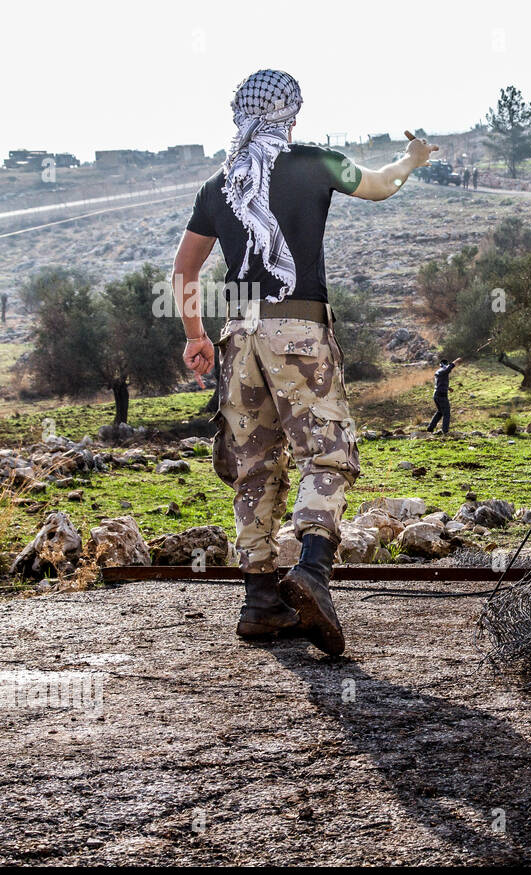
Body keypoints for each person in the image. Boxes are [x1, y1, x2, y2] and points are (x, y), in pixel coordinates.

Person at [171, 68, 439, 656]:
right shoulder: (317, 163)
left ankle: (260, 601)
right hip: (298, 325)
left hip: (238, 334)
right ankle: (313, 568)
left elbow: (185, 271)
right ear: (290, 112)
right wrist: (412, 159)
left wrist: (195, 336)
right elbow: (381, 185)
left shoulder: (218, 186)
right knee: (328, 452)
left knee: (254, 465)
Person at [425, 357, 462, 435]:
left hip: (436, 395)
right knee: (446, 413)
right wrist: (456, 361)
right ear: (445, 365)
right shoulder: (443, 371)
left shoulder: (439, 371)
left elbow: (440, 383)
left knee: (440, 412)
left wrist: (448, 388)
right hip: (442, 396)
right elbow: (448, 369)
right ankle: (445, 431)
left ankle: (430, 428)